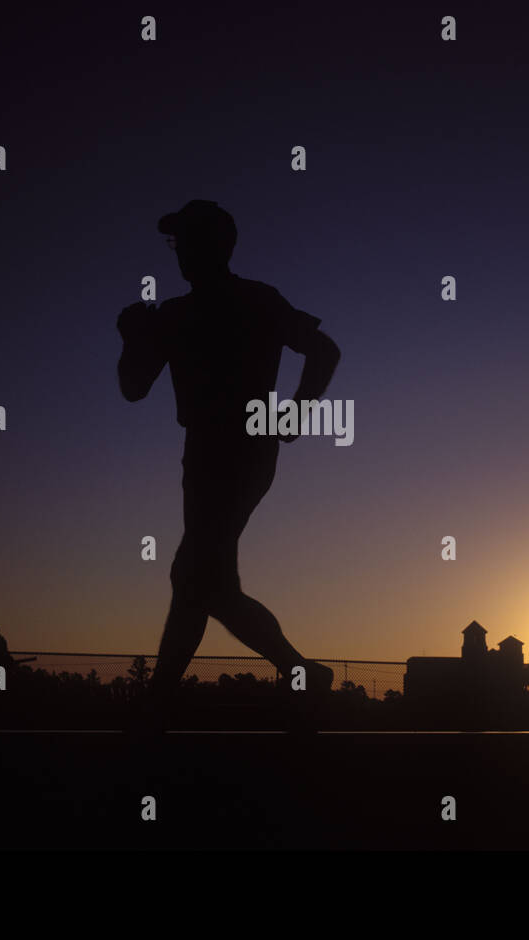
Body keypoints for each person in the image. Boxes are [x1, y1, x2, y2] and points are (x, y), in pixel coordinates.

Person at [116, 200, 341, 713]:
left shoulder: (250, 301)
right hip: (205, 455)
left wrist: (296, 415)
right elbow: (134, 386)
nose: (182, 254)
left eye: (190, 242)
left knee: (193, 575)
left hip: (240, 452)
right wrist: (133, 340)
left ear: (218, 246)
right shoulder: (180, 314)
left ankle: (160, 704)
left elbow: (325, 350)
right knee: (205, 581)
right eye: (178, 244)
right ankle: (301, 673)